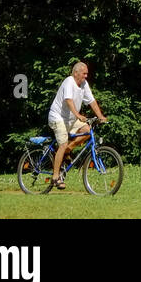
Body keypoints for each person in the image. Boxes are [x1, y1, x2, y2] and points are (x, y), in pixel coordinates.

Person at [48, 61, 107, 189]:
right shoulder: (69, 81)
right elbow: (68, 100)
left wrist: (100, 116)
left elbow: (91, 101)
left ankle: (67, 150)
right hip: (58, 117)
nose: (86, 76)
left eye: (87, 74)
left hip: (71, 119)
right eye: (84, 73)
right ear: (76, 73)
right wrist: (78, 115)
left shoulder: (84, 84)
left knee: (87, 129)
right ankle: (55, 177)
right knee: (62, 144)